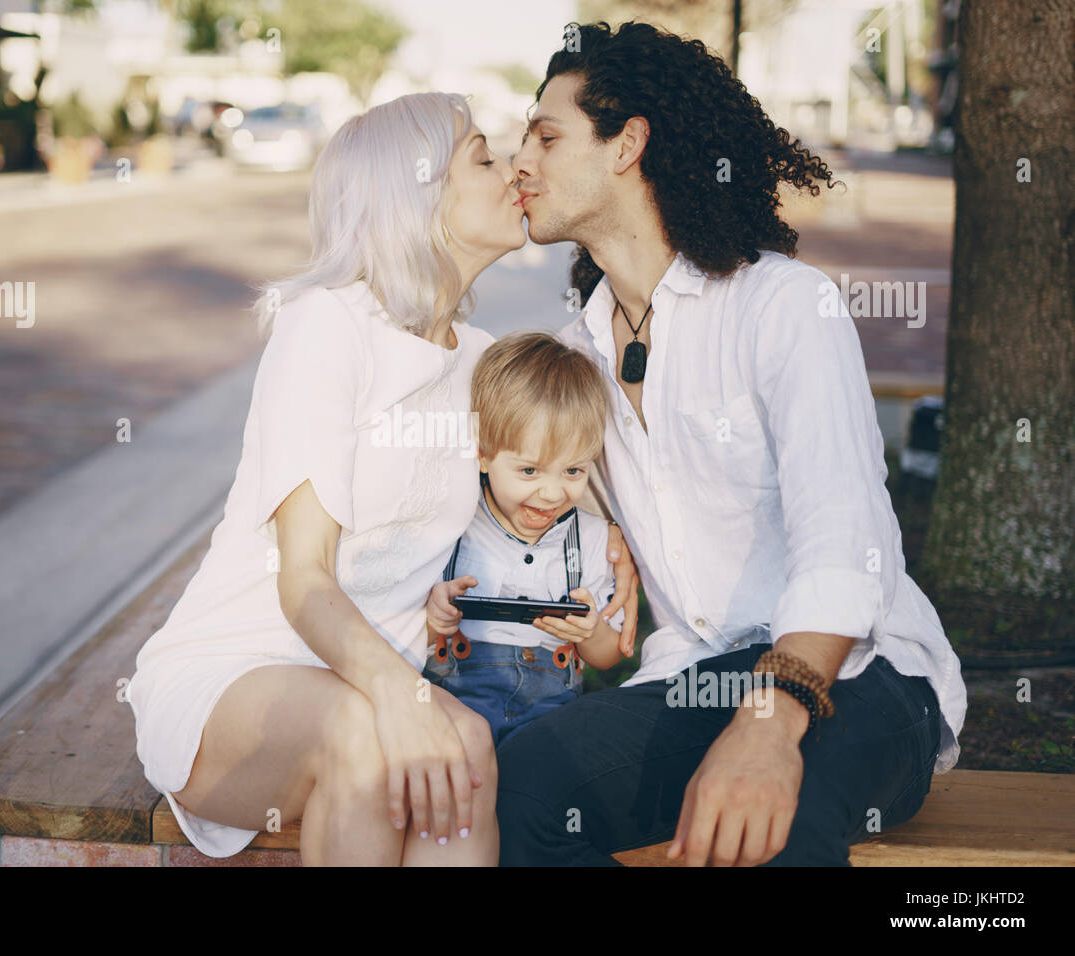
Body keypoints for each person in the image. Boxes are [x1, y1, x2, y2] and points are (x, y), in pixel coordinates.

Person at [495, 20, 968, 866]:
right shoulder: (576, 359)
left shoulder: (782, 306)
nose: (519, 162)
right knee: (523, 785)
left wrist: (768, 717)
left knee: (770, 835)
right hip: (699, 677)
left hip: (862, 676)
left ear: (626, 145)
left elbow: (845, 545)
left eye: (546, 134)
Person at [125, 91, 641, 866]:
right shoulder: (328, 325)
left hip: (377, 680)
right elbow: (304, 580)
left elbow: (556, 472)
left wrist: (614, 542)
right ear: (419, 189)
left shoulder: (478, 360)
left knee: (466, 744)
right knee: (369, 732)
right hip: (243, 674)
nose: (514, 171)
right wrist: (403, 697)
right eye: (484, 157)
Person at [424, 332, 627, 747]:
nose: (552, 494)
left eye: (573, 471)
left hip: (551, 717)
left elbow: (607, 658)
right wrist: (433, 622)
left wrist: (590, 632)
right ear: (482, 454)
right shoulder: (453, 523)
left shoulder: (588, 540)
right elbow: (412, 638)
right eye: (529, 472)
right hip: (455, 709)